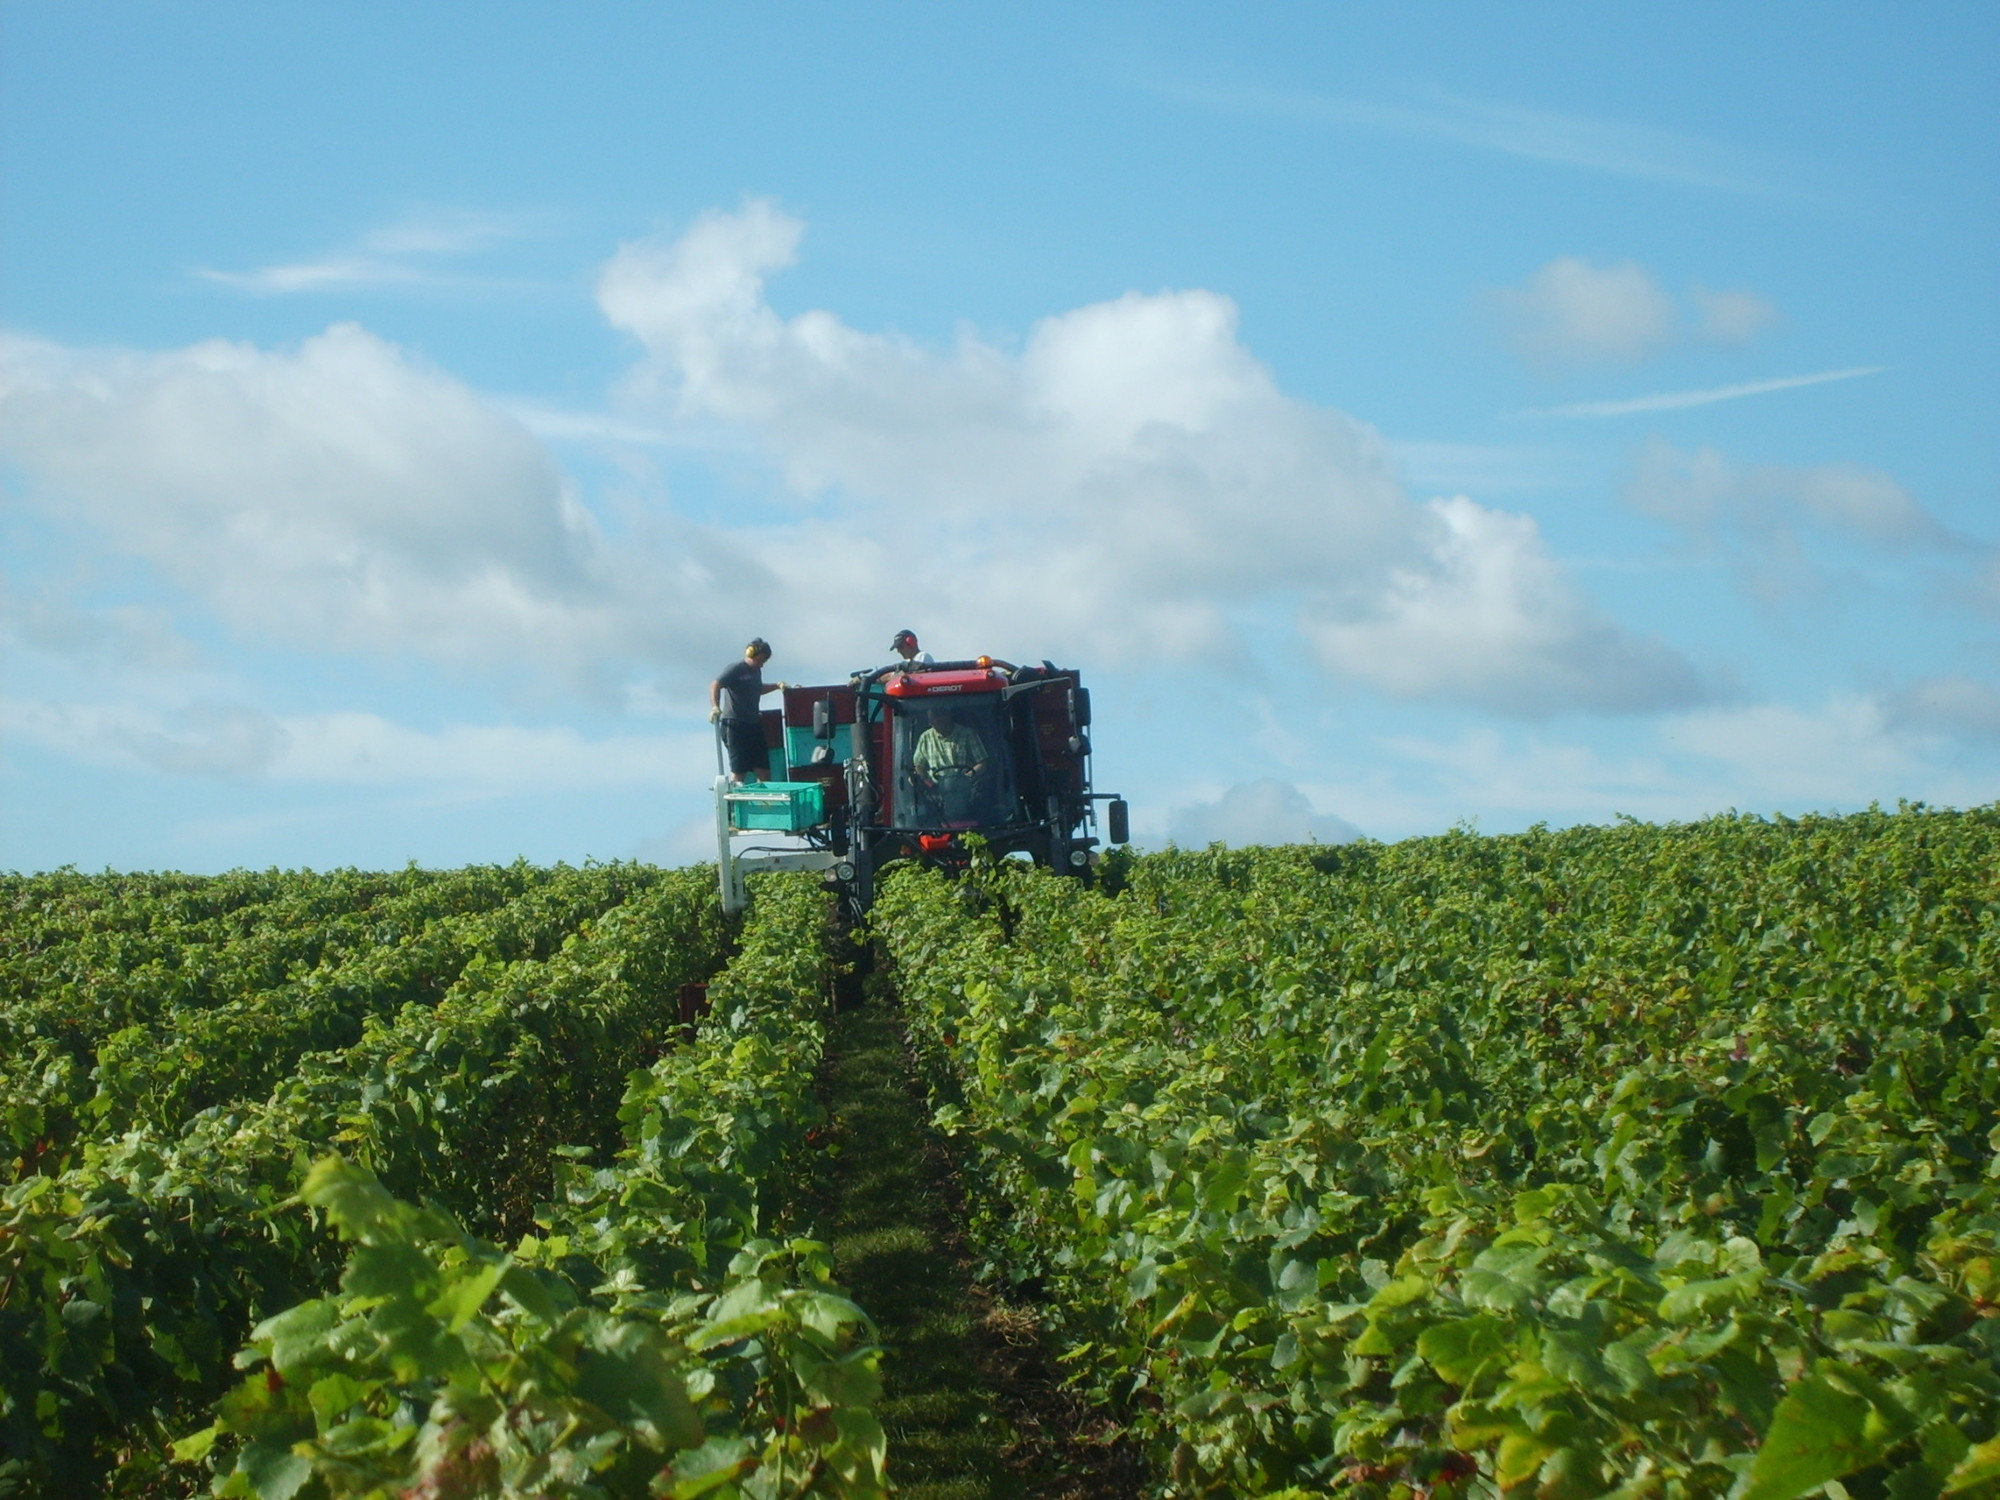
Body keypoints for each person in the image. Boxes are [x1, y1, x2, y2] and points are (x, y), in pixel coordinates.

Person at [710, 639, 787, 784]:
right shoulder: (736, 668)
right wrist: (715, 706)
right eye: (760, 660)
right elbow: (716, 684)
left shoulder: (756, 671)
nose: (762, 665)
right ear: (751, 653)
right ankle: (738, 804)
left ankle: (765, 805)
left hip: (753, 724)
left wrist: (776, 686)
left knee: (763, 771)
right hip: (734, 724)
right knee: (739, 771)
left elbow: (757, 689)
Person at [912, 706, 986, 821]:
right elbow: (919, 765)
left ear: (947, 717)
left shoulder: (967, 734)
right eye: (930, 721)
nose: (932, 724)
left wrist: (968, 777)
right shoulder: (925, 737)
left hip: (966, 790)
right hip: (936, 793)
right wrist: (920, 778)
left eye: (935, 720)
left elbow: (982, 762)